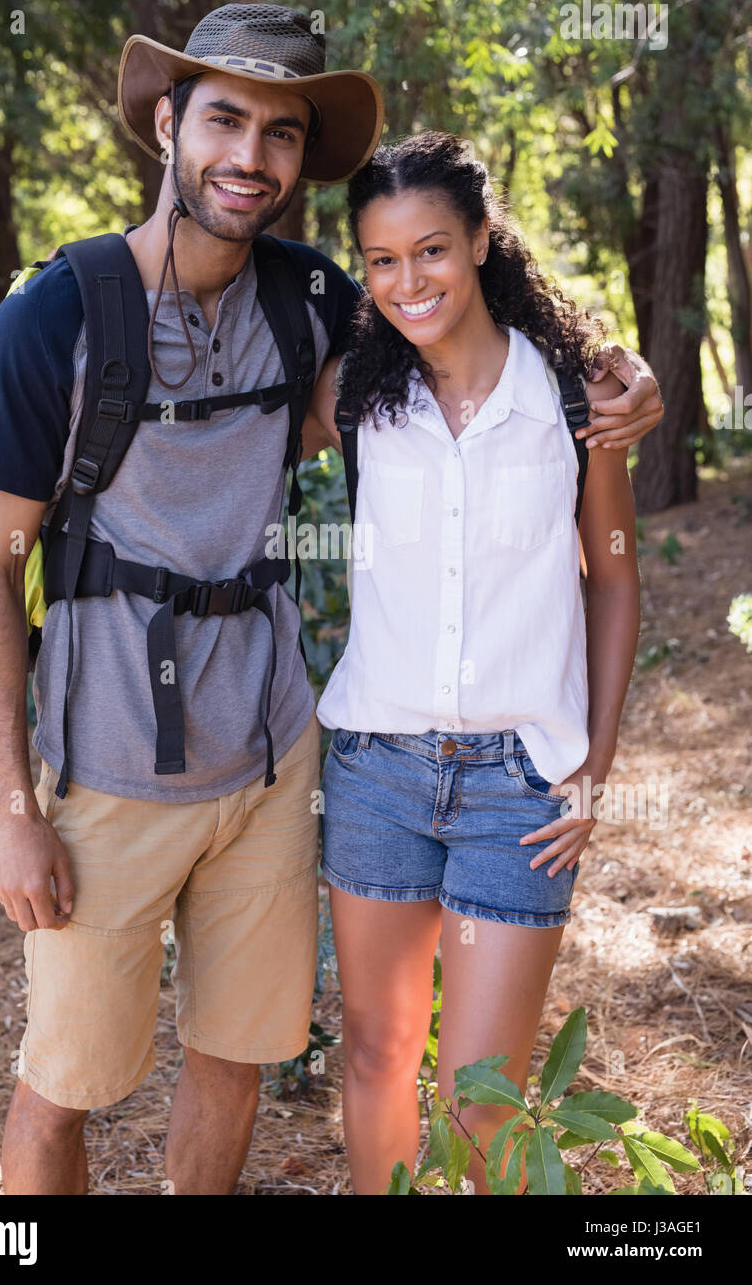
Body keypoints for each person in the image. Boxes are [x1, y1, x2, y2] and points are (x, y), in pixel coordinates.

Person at [0, 0, 661, 1197]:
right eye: (223, 120)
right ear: (167, 122)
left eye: (280, 136)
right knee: (62, 1088)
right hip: (108, 771)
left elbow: (449, 337)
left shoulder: (313, 296)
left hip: (278, 766)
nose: (249, 158)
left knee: (236, 1061)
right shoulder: (51, 318)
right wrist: (9, 807)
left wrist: (617, 380)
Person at [306, 130, 643, 1195]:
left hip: (517, 787)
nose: (409, 281)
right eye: (382, 260)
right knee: (373, 1056)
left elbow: (616, 578)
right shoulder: (353, 397)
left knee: (480, 1097)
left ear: (482, 239)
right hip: (374, 768)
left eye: (432, 249)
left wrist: (591, 763)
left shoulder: (572, 400)